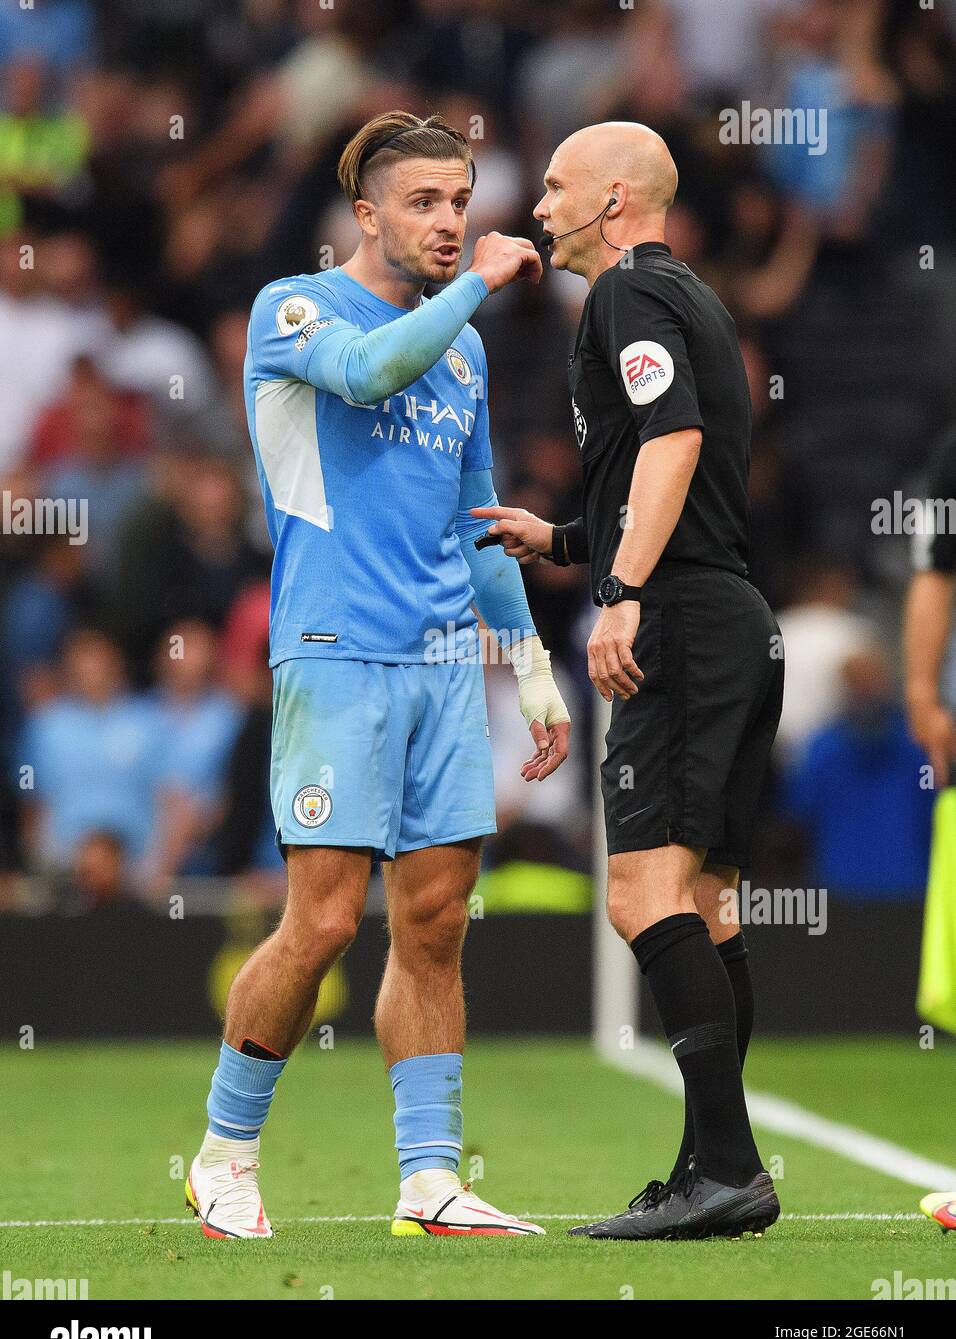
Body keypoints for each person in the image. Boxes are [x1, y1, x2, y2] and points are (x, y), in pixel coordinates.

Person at [185, 111, 571, 1241]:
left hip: (448, 662)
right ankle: (220, 1154)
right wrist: (482, 288)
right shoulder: (294, 309)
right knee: (318, 924)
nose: (450, 222)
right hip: (335, 653)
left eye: (459, 202)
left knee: (437, 921)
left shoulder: (463, 345)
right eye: (423, 203)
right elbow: (363, 373)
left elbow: (476, 515)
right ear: (365, 215)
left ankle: (428, 1180)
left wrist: (532, 669)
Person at [474, 121, 783, 1240]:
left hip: (683, 623)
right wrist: (562, 536)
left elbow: (673, 440)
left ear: (613, 199)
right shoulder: (689, 297)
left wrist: (618, 589)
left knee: (639, 895)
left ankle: (729, 1170)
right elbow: (661, 464)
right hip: (731, 616)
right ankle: (709, 1164)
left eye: (554, 186)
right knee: (703, 904)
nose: (537, 203)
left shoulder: (623, 297)